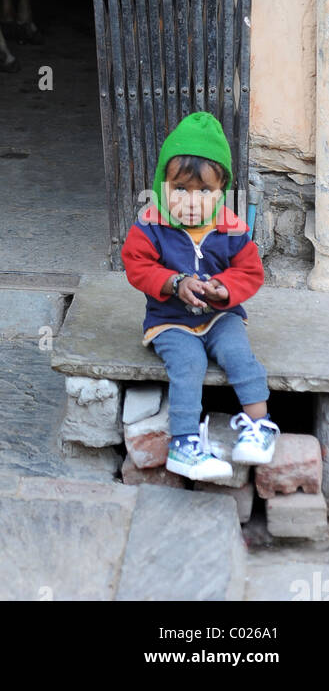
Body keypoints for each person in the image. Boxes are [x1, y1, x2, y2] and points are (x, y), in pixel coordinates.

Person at [121, 111, 278, 480]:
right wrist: (174, 283)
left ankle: (260, 428)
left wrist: (225, 289)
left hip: (220, 317)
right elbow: (137, 267)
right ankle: (184, 446)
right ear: (162, 185)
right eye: (180, 189)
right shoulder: (150, 226)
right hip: (169, 321)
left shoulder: (232, 229)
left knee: (239, 354)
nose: (191, 201)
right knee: (188, 365)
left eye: (204, 191)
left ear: (222, 191)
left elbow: (249, 272)